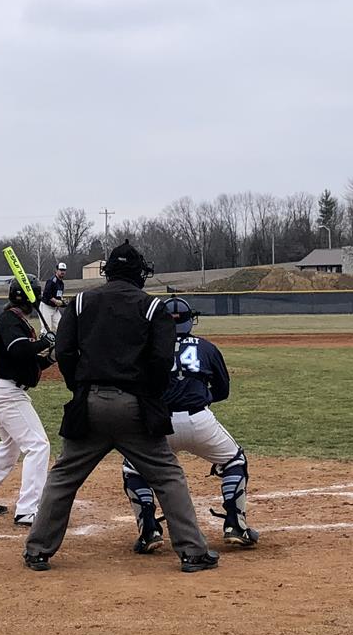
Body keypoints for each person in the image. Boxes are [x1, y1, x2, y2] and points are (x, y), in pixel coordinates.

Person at [23, 243, 218, 573]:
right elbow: (161, 360)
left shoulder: (81, 302)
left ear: (108, 271)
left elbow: (65, 352)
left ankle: (38, 550)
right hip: (135, 407)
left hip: (89, 404)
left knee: (63, 478)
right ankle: (192, 552)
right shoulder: (152, 307)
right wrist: (149, 395)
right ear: (138, 273)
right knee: (168, 477)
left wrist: (80, 387)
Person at [123, 297, 256, 553]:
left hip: (159, 424)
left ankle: (149, 530)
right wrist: (198, 395)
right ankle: (236, 525)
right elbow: (222, 390)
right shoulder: (206, 347)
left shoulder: (145, 349)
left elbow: (135, 389)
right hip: (199, 420)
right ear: (190, 321)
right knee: (234, 461)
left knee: (133, 469)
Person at [0, 281, 56, 528]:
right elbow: (19, 351)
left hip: (5, 390)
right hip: (6, 393)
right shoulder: (9, 320)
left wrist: (50, 357)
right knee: (38, 446)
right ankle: (27, 510)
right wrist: (44, 342)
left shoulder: (17, 321)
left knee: (11, 445)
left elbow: (27, 363)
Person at [38, 260, 69, 332]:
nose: (62, 272)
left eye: (64, 270)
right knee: (46, 329)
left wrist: (62, 301)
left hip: (55, 309)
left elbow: (58, 295)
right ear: (56, 270)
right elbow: (46, 293)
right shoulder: (52, 281)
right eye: (60, 270)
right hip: (46, 307)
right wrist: (55, 301)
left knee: (61, 327)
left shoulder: (61, 283)